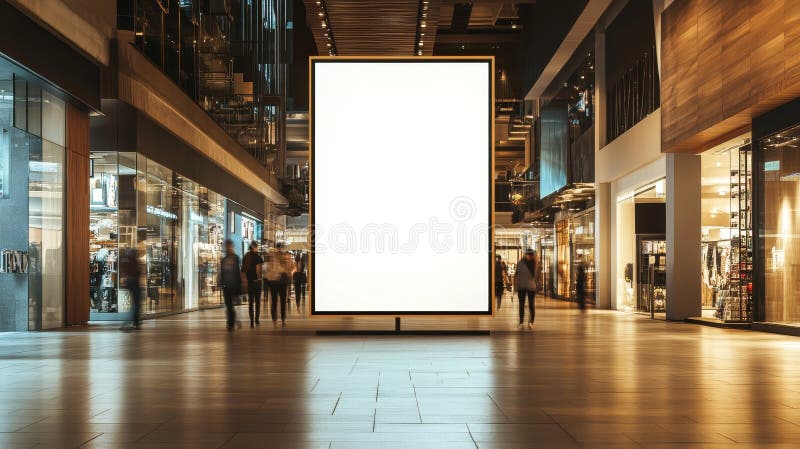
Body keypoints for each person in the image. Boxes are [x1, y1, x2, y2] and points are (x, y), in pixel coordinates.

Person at [265, 243, 292, 327]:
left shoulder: (272, 256)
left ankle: (275, 321)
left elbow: (267, 268)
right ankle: (282, 320)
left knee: (274, 301)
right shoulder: (284, 256)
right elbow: (289, 268)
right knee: (282, 301)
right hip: (281, 282)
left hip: (274, 282)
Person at [220, 239, 242, 331]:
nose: (228, 248)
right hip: (226, 285)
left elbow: (238, 272)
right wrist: (221, 282)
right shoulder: (224, 259)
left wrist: (239, 285)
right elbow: (222, 272)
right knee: (229, 305)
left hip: (234, 285)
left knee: (231, 306)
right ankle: (231, 322)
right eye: (227, 246)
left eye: (229, 246)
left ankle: (231, 323)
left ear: (232, 247)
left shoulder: (236, 258)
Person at [241, 241, 264, 327]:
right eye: (256, 247)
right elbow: (259, 269)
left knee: (251, 302)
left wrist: (245, 280)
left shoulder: (246, 256)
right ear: (255, 247)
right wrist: (259, 278)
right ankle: (256, 319)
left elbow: (243, 269)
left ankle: (251, 321)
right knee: (257, 302)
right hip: (256, 282)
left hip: (249, 282)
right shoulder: (258, 257)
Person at [118, 247, 141, 330]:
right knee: (136, 303)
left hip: (128, 281)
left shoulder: (123, 259)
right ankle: (134, 322)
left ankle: (134, 322)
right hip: (134, 281)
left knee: (134, 303)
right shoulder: (133, 260)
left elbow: (122, 270)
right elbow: (137, 271)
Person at [514, 249, 537, 328]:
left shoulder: (535, 263)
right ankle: (521, 322)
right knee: (521, 304)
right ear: (525, 255)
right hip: (522, 286)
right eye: (528, 254)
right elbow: (516, 275)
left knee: (531, 304)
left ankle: (531, 321)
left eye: (531, 255)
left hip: (531, 286)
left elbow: (536, 275)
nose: (530, 256)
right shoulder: (521, 263)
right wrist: (516, 286)